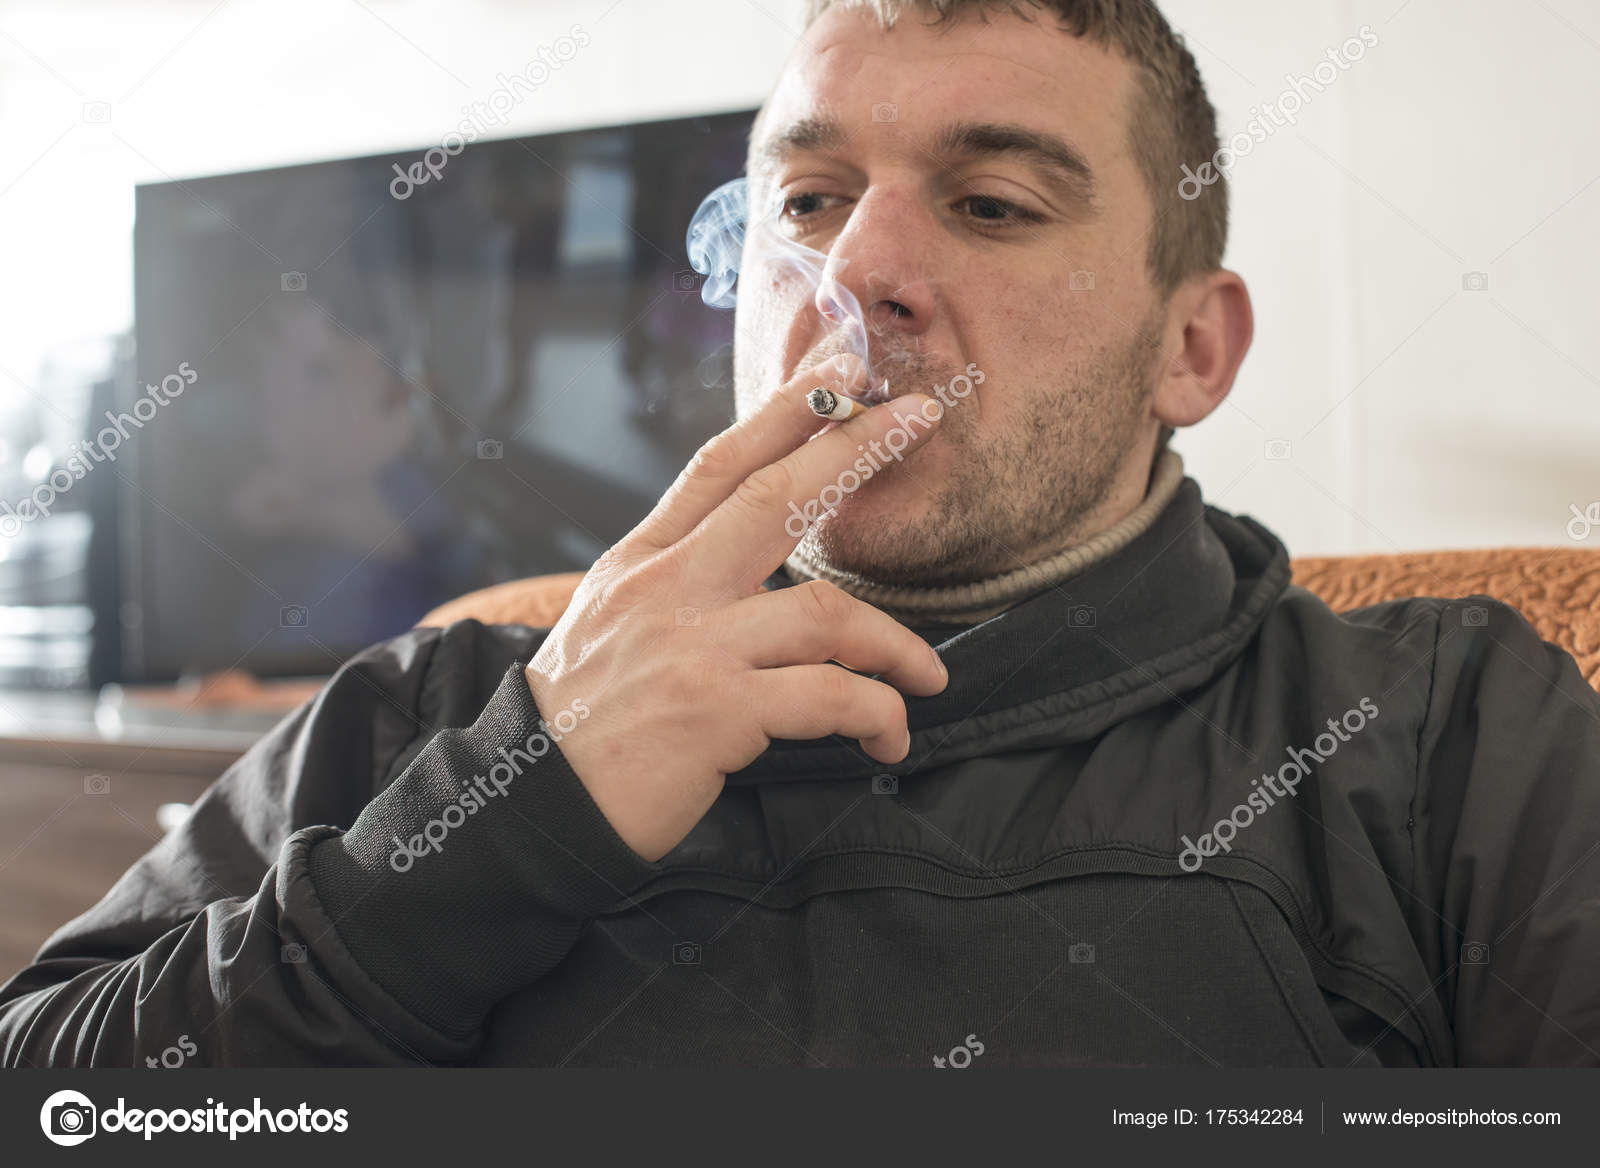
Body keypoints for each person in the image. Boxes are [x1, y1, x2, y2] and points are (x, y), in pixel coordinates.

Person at [3, 0, 1596, 1068]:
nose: (857, 276)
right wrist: (515, 810)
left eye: (992, 204)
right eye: (808, 201)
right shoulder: (446, 704)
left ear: (1194, 346)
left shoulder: (1442, 729)